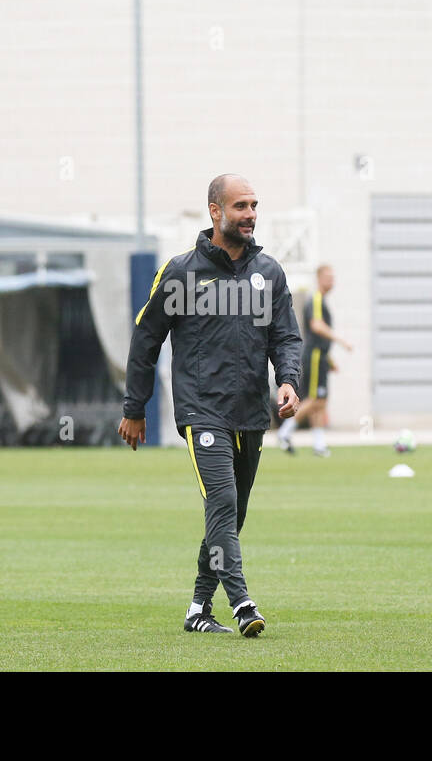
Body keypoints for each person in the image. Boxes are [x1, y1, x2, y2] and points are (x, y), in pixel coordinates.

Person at [118, 173, 302, 637]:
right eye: (241, 206)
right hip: (202, 411)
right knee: (221, 500)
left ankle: (198, 607)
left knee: (232, 513)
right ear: (215, 212)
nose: (251, 215)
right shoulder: (181, 272)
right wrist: (134, 408)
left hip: (251, 410)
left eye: (255, 205)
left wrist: (288, 381)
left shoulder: (270, 274)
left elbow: (285, 337)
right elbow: (146, 336)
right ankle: (242, 603)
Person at [278, 264, 352, 457]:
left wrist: (330, 359)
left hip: (321, 356)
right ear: (319, 278)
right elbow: (316, 326)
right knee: (314, 399)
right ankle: (285, 432)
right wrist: (341, 340)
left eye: (333, 277)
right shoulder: (316, 299)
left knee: (320, 401)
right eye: (328, 277)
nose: (331, 281)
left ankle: (319, 444)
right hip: (314, 356)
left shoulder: (322, 300)